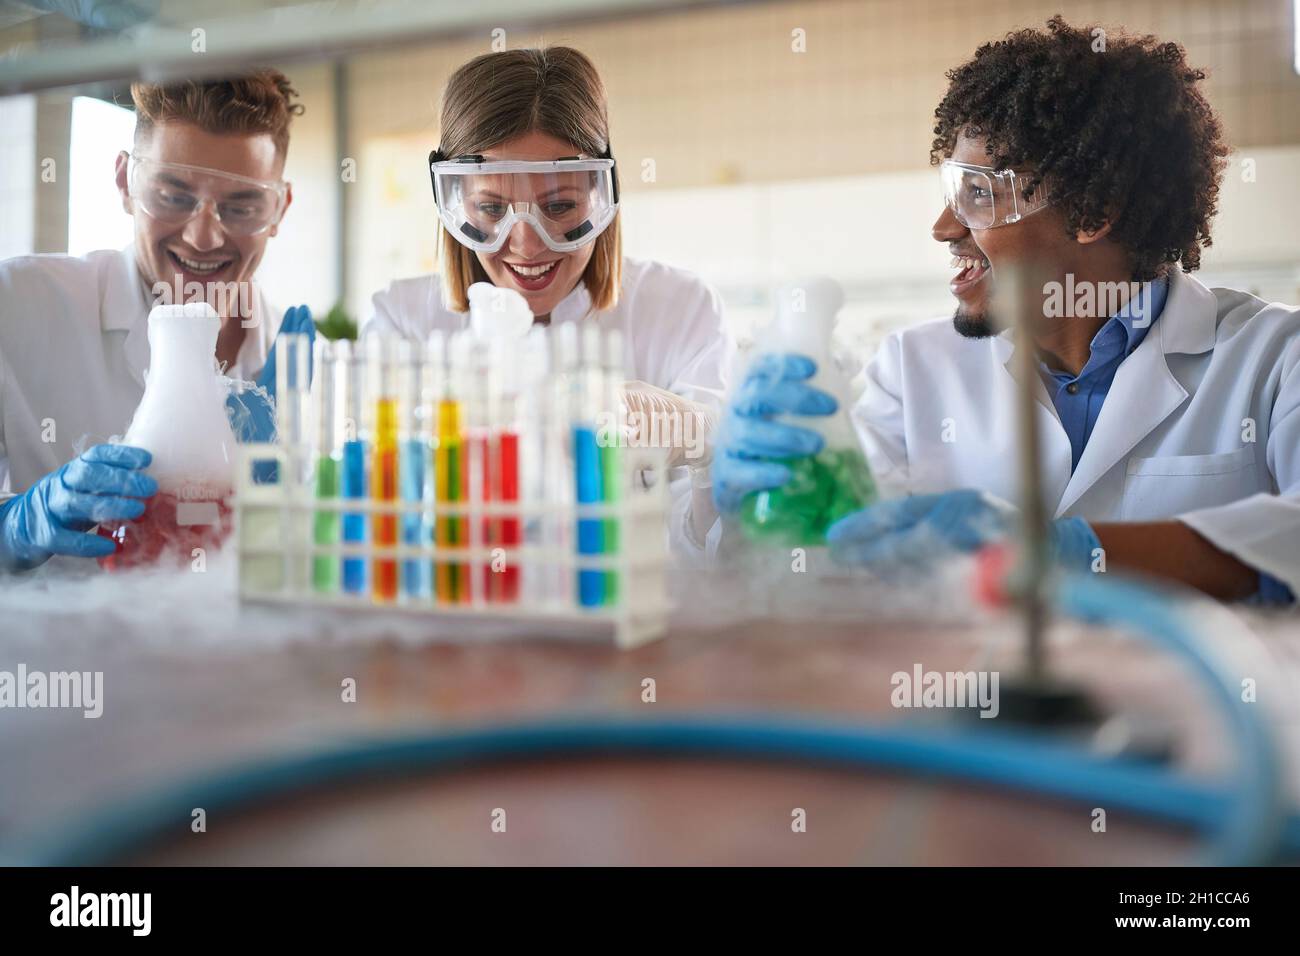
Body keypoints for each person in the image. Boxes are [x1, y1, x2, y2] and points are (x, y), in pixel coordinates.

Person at [714, 17, 1299, 602]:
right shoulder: (910, 370)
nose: (944, 228)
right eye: (951, 193)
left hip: (1209, 694)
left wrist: (1071, 553)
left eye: (979, 194)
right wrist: (765, 498)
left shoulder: (1275, 358)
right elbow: (827, 568)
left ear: (1095, 211)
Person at [364, 47, 735, 564]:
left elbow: (716, 557)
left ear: (601, 193)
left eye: (559, 207)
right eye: (491, 209)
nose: (528, 246)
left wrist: (708, 447)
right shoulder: (402, 321)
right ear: (453, 201)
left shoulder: (679, 309)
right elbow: (379, 531)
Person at [0, 70, 315, 572]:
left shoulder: (295, 357)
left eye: (241, 206)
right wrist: (16, 527)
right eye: (173, 196)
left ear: (279, 210)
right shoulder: (18, 306)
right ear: (126, 181)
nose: (204, 237)